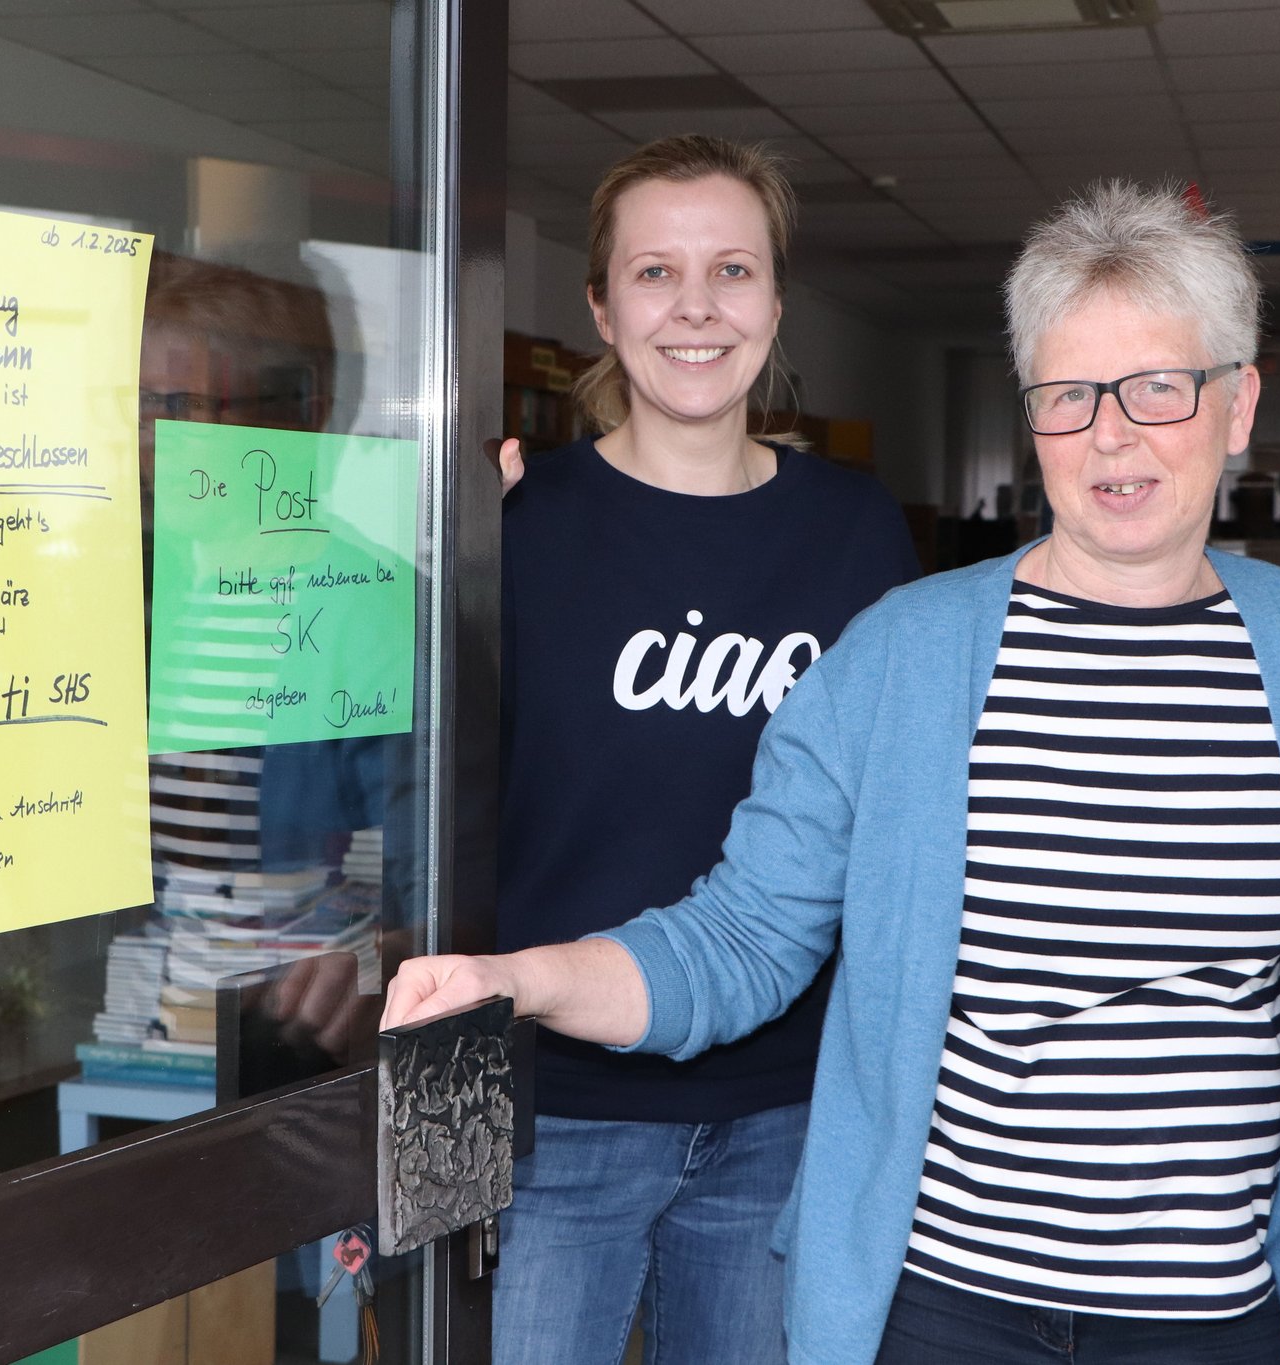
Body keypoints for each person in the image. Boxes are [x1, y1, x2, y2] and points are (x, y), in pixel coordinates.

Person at [385, 181, 1280, 1365]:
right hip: (939, 1308)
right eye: (1067, 396)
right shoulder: (905, 652)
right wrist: (521, 978)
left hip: (1210, 1315)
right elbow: (743, 936)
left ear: (1235, 405)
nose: (1111, 435)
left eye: (1157, 388)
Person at [489, 135, 920, 1365]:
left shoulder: (853, 528)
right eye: (653, 273)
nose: (693, 308)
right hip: (554, 1112)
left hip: (786, 1109)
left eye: (730, 270)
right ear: (599, 306)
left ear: (776, 302)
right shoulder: (517, 527)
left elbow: (896, 810)